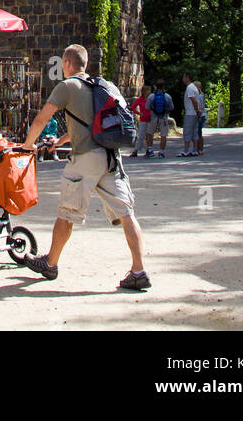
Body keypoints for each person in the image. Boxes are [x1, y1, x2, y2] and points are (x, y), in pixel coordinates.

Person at [16, 43, 151, 290]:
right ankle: (139, 270)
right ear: (85, 64)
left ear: (67, 64)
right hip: (111, 156)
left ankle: (51, 263)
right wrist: (61, 140)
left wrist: (27, 145)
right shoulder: (104, 85)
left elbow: (41, 119)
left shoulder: (67, 86)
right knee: (126, 213)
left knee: (66, 213)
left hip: (85, 158)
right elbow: (92, 123)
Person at [146, 81, 172, 157]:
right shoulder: (167, 96)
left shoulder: (151, 96)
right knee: (163, 135)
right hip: (163, 118)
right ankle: (161, 152)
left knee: (149, 133)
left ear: (156, 87)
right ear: (164, 87)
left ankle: (150, 150)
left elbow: (147, 107)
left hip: (153, 117)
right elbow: (171, 107)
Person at [180, 73, 201, 157]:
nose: (183, 79)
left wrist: (196, 110)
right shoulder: (194, 87)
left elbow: (194, 100)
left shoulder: (189, 88)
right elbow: (198, 100)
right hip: (195, 113)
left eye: (183, 77)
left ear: (187, 78)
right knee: (194, 132)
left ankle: (186, 150)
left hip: (190, 113)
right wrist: (199, 111)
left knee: (187, 132)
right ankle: (194, 150)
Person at [128, 84, 152, 157]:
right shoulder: (140, 99)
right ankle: (136, 150)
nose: (148, 92)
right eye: (146, 90)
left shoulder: (151, 99)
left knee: (149, 135)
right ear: (143, 91)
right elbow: (132, 107)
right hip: (143, 119)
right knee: (140, 136)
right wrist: (138, 113)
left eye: (149, 90)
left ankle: (149, 149)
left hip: (150, 119)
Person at [195, 81, 207, 155]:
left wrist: (198, 114)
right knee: (199, 133)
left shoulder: (198, 96)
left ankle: (198, 149)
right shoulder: (202, 95)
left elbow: (199, 106)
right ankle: (200, 149)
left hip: (200, 115)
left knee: (198, 133)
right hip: (203, 114)